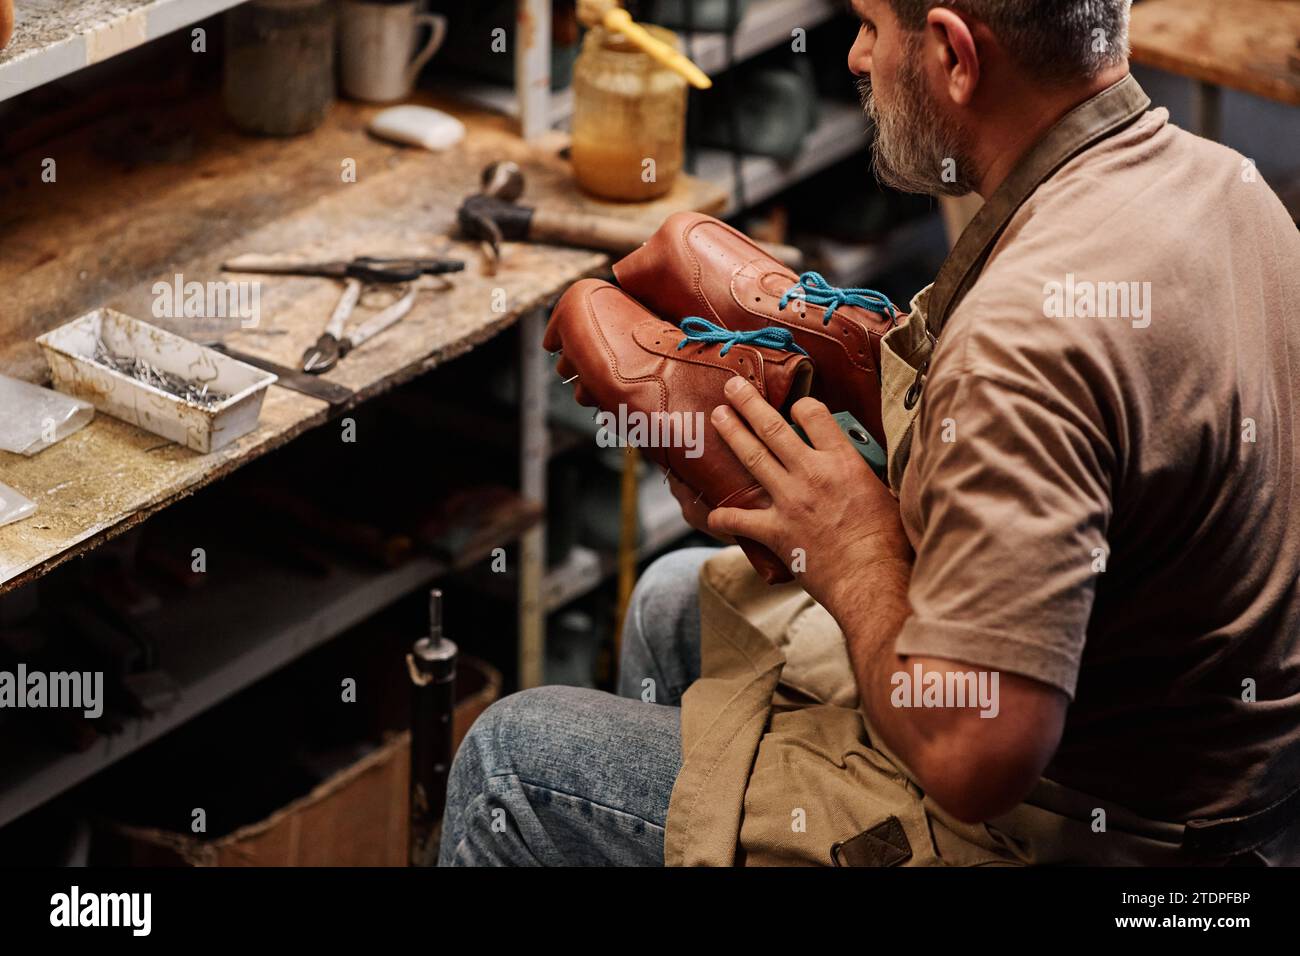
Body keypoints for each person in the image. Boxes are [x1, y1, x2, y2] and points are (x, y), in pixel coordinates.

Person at [439, 0, 1300, 866]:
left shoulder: (1021, 341)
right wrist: (892, 382)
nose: (854, 58)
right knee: (675, 600)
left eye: (870, 28)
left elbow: (977, 753)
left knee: (513, 758)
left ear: (956, 56)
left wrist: (853, 552)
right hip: (1226, 776)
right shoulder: (1226, 183)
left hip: (1113, 839)